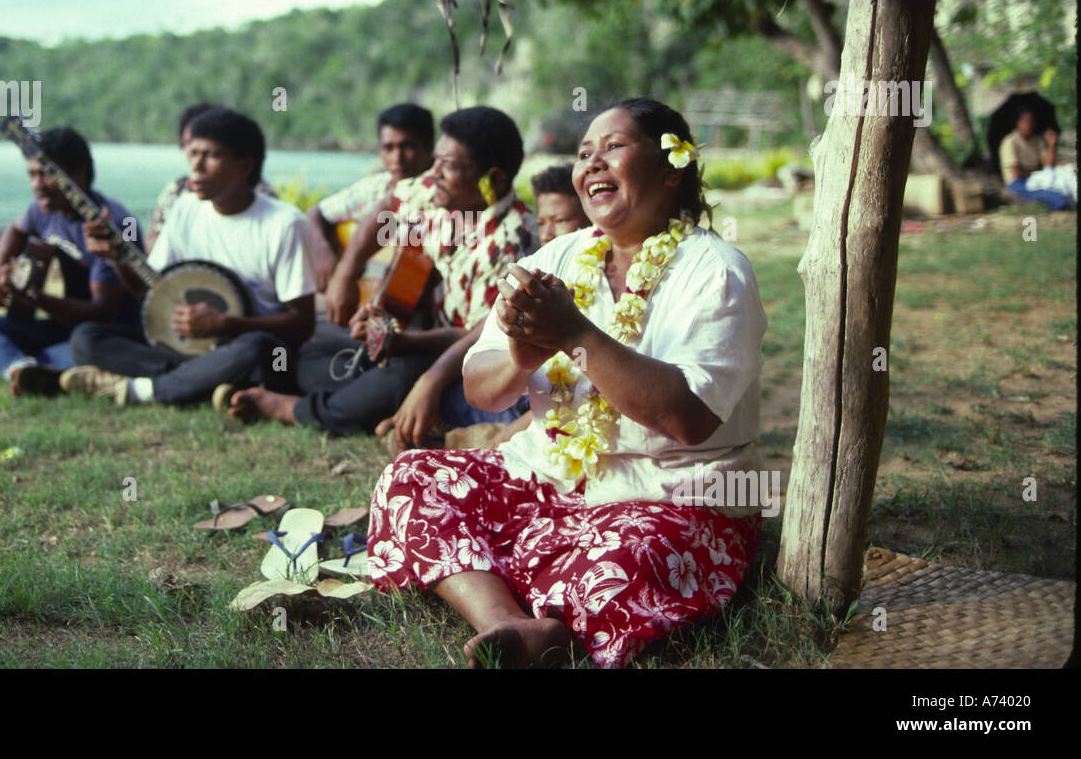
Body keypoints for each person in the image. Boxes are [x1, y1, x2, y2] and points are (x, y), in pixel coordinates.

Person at [368, 98, 768, 669]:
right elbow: (483, 391)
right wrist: (519, 358)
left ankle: (543, 610)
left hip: (666, 498)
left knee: (624, 560)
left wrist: (577, 335)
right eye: (585, 153)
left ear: (670, 168)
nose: (592, 164)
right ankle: (509, 624)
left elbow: (688, 417)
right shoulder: (557, 256)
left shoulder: (716, 271)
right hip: (550, 477)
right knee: (411, 479)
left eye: (614, 147)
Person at [227, 106, 537, 435]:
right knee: (321, 349)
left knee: (402, 374)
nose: (433, 175)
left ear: (495, 179)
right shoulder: (438, 192)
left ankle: (294, 408)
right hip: (416, 341)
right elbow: (390, 205)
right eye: (436, 161)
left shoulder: (515, 239)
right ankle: (348, 398)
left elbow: (482, 334)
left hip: (461, 363)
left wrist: (411, 349)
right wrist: (347, 274)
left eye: (449, 166)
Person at [59, 106, 316, 405]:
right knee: (87, 337)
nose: (196, 166)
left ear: (245, 166)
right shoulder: (185, 207)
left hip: (249, 348)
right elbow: (149, 287)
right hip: (188, 347)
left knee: (259, 347)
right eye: (192, 153)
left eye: (210, 155)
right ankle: (202, 382)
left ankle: (142, 390)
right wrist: (117, 259)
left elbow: (302, 325)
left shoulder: (284, 224)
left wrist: (226, 325)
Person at [379, 162, 591, 455]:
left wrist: (497, 443)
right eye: (542, 223)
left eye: (561, 220)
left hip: (557, 401)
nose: (548, 233)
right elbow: (487, 338)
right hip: (516, 388)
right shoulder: (539, 266)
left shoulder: (517, 240)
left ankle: (471, 443)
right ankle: (434, 432)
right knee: (419, 394)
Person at [0, 127, 140, 397]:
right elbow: (16, 230)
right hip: (62, 326)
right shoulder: (43, 208)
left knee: (69, 350)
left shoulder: (109, 224)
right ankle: (20, 370)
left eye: (47, 174)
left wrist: (35, 298)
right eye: (32, 174)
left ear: (78, 173)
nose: (36, 185)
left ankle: (34, 368)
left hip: (103, 337)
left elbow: (103, 311)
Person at [306, 103, 435, 295]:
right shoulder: (376, 188)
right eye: (388, 148)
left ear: (429, 146)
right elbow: (315, 213)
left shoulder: (451, 197)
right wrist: (322, 250)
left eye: (407, 147)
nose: (397, 158)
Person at [146, 102, 279, 253]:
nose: (196, 161)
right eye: (191, 148)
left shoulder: (263, 201)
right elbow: (153, 238)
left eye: (210, 153)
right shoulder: (180, 197)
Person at [998, 106, 1075, 210]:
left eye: (1031, 120)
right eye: (1025, 120)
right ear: (1018, 122)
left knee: (1066, 183)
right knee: (1055, 197)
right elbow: (1017, 173)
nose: (1028, 124)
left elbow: (1047, 165)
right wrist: (1037, 172)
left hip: (1036, 178)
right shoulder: (1010, 142)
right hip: (1018, 183)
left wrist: (1051, 145)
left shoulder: (1037, 140)